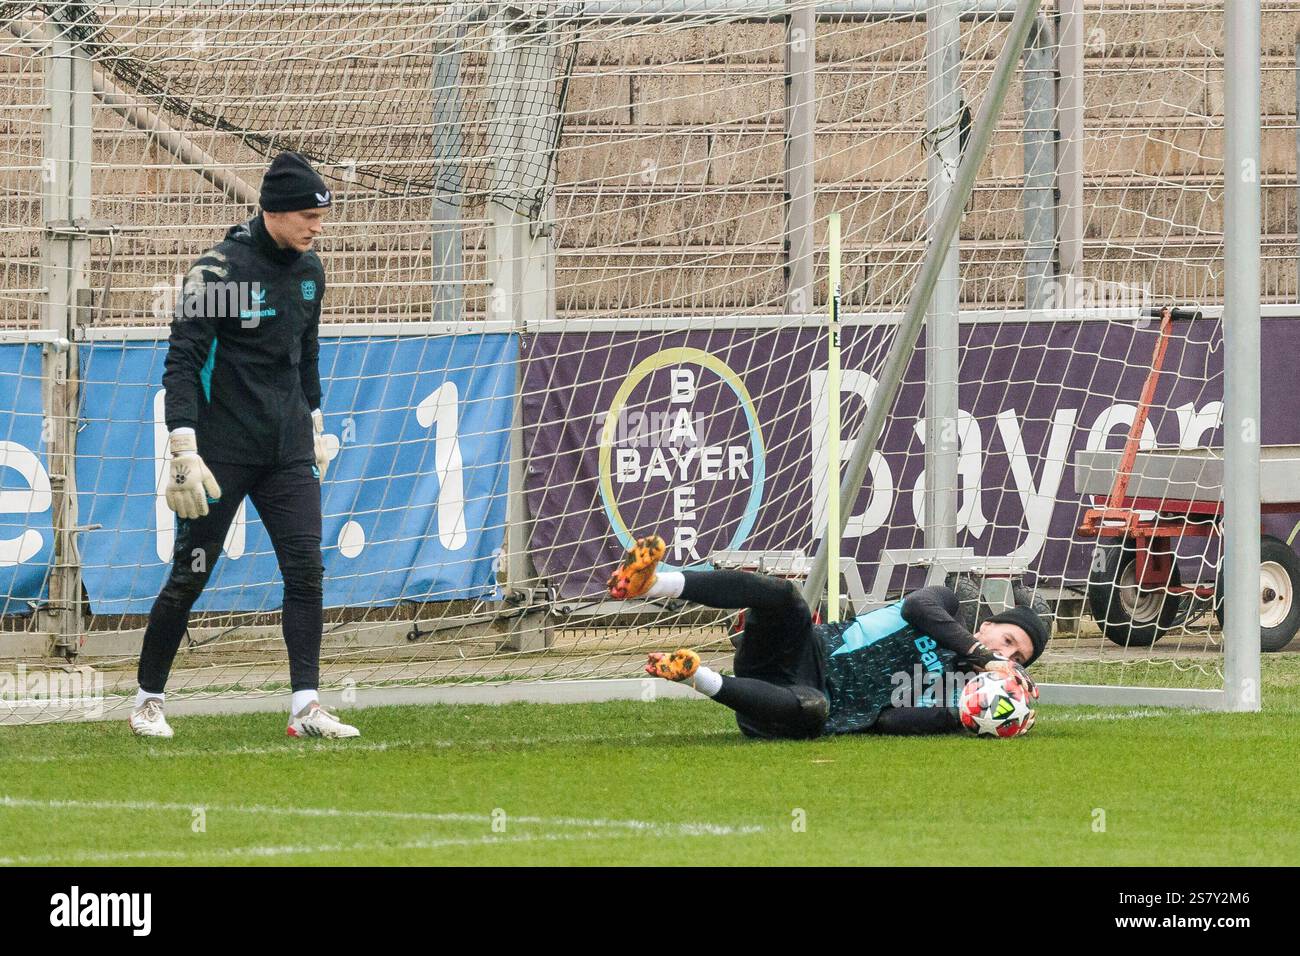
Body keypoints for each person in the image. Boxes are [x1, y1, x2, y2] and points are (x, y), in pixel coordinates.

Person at [128, 152, 358, 739]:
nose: (316, 227)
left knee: (306, 571)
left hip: (286, 453)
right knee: (191, 574)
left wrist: (315, 420)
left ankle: (304, 706)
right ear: (274, 210)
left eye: (321, 217)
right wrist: (182, 446)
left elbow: (304, 355)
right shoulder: (221, 273)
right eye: (307, 216)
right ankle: (148, 698)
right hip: (220, 453)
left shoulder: (310, 273)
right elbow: (181, 364)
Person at [607, 535, 1048, 739]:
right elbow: (917, 607)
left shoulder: (951, 692)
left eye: (1016, 658)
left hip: (786, 704)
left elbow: (889, 721)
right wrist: (975, 653)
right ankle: (657, 584)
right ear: (988, 625)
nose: (1005, 653)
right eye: (1008, 640)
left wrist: (964, 712)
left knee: (813, 709)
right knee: (784, 597)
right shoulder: (946, 606)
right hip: (803, 648)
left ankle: (692, 676)